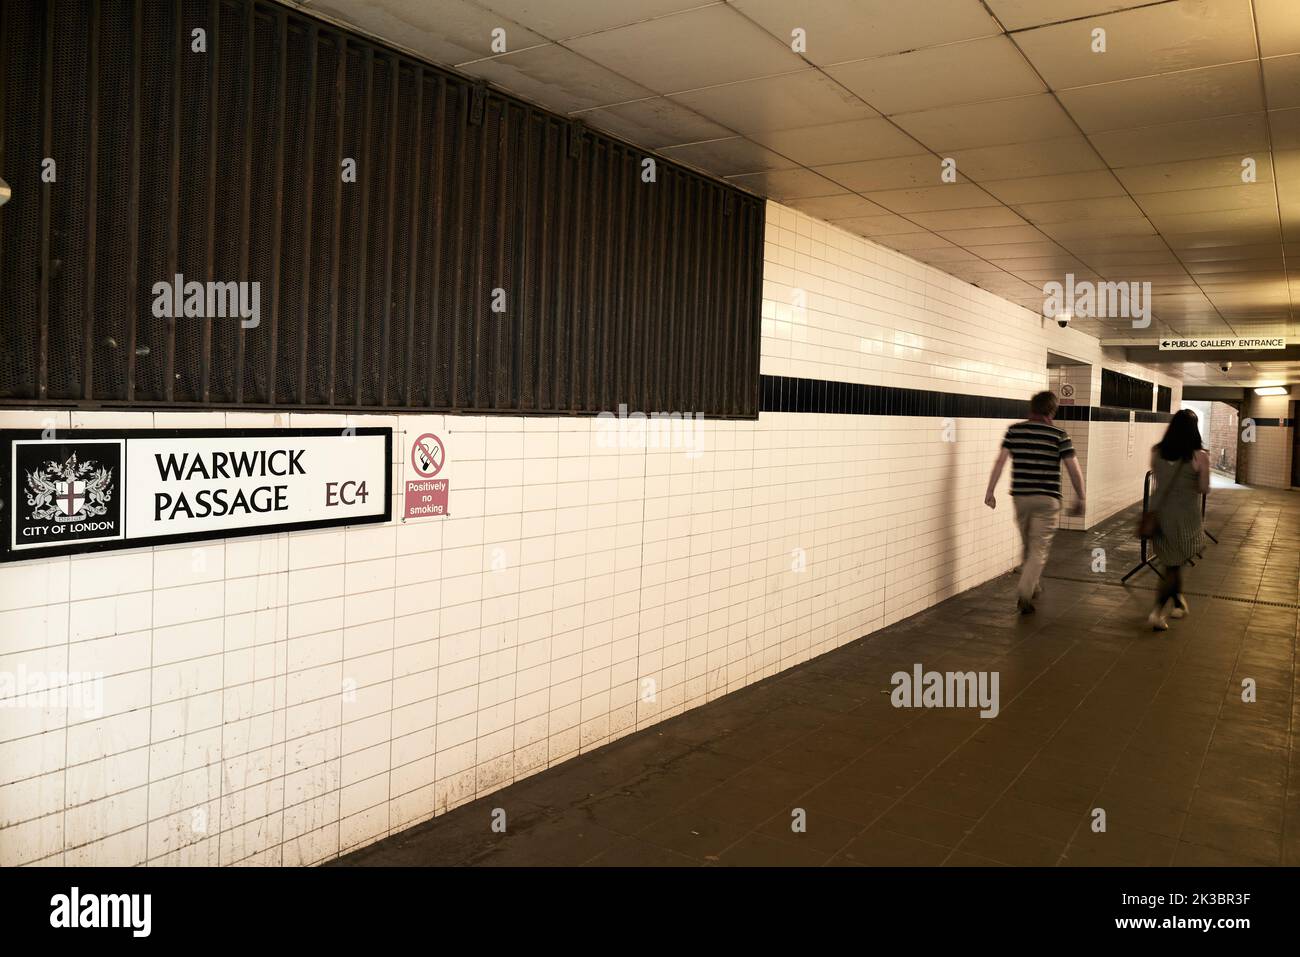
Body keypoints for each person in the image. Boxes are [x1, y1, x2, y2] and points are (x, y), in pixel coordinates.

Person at [984, 390, 1086, 614]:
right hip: (1047, 499)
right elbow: (1074, 470)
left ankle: (1033, 583)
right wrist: (1080, 496)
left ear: (1031, 407)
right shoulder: (1059, 435)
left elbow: (1000, 462)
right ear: (1052, 410)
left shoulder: (1015, 431)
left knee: (1028, 544)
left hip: (1021, 497)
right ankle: (1025, 591)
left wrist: (990, 490)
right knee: (1038, 548)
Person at [1147, 409, 1209, 631]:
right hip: (1185, 518)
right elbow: (1203, 488)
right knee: (1172, 567)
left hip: (1160, 515)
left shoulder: (1156, 451)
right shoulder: (1199, 456)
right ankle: (1156, 612)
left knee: (1172, 562)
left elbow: (1158, 477)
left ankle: (1179, 603)